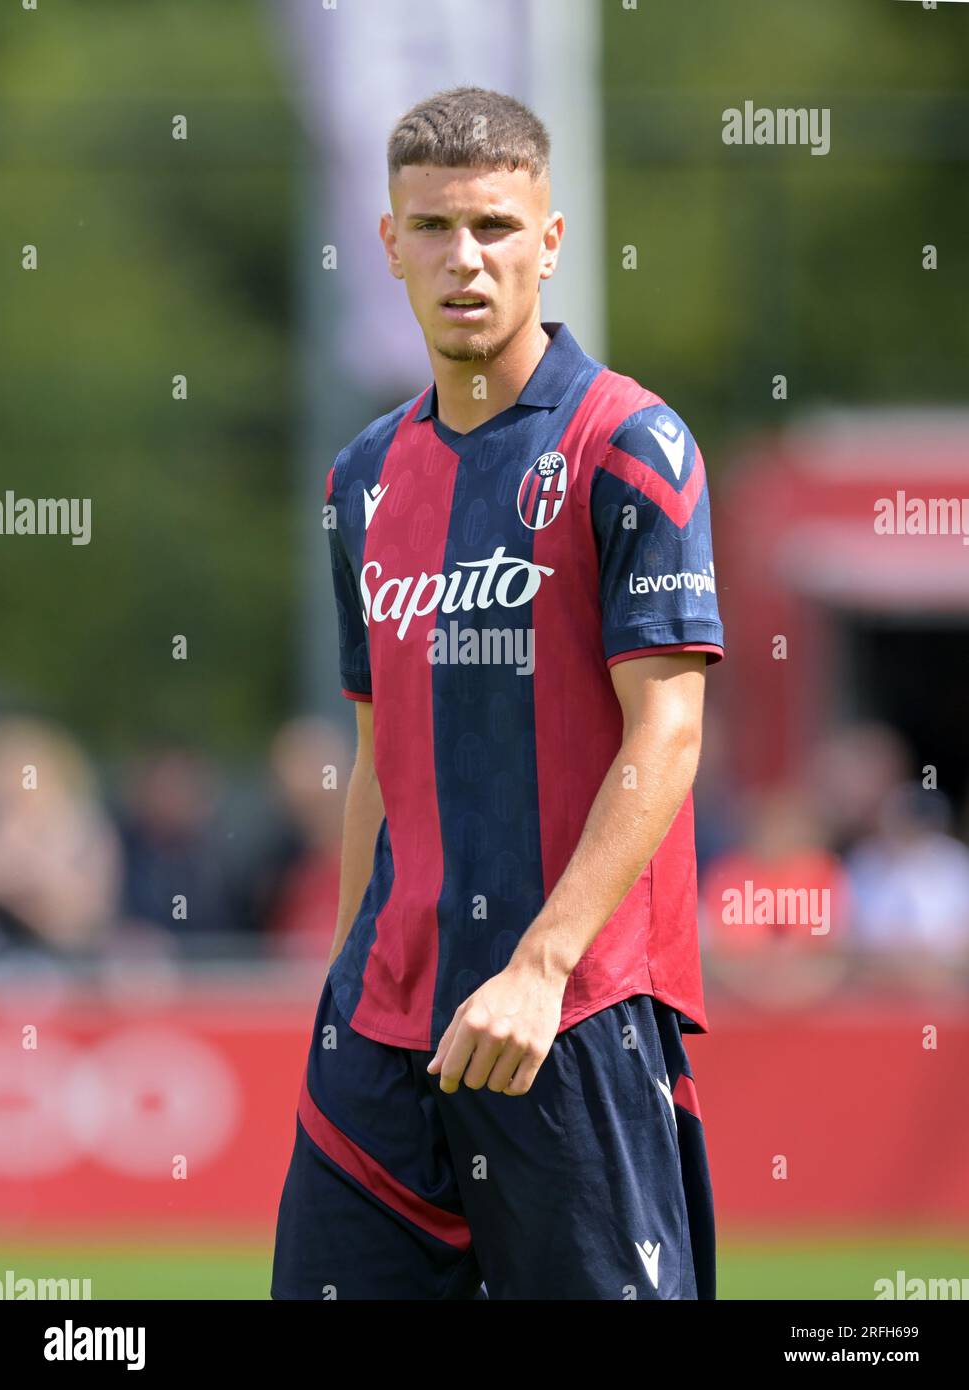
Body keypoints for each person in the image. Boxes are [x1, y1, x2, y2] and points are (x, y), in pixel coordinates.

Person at [271, 86, 725, 1301]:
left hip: (567, 1015)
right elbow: (381, 753)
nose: (463, 260)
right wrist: (342, 972)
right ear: (388, 245)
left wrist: (540, 963)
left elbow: (669, 727)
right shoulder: (361, 477)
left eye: (495, 227)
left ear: (551, 239)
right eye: (432, 228)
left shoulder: (632, 445)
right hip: (383, 1023)